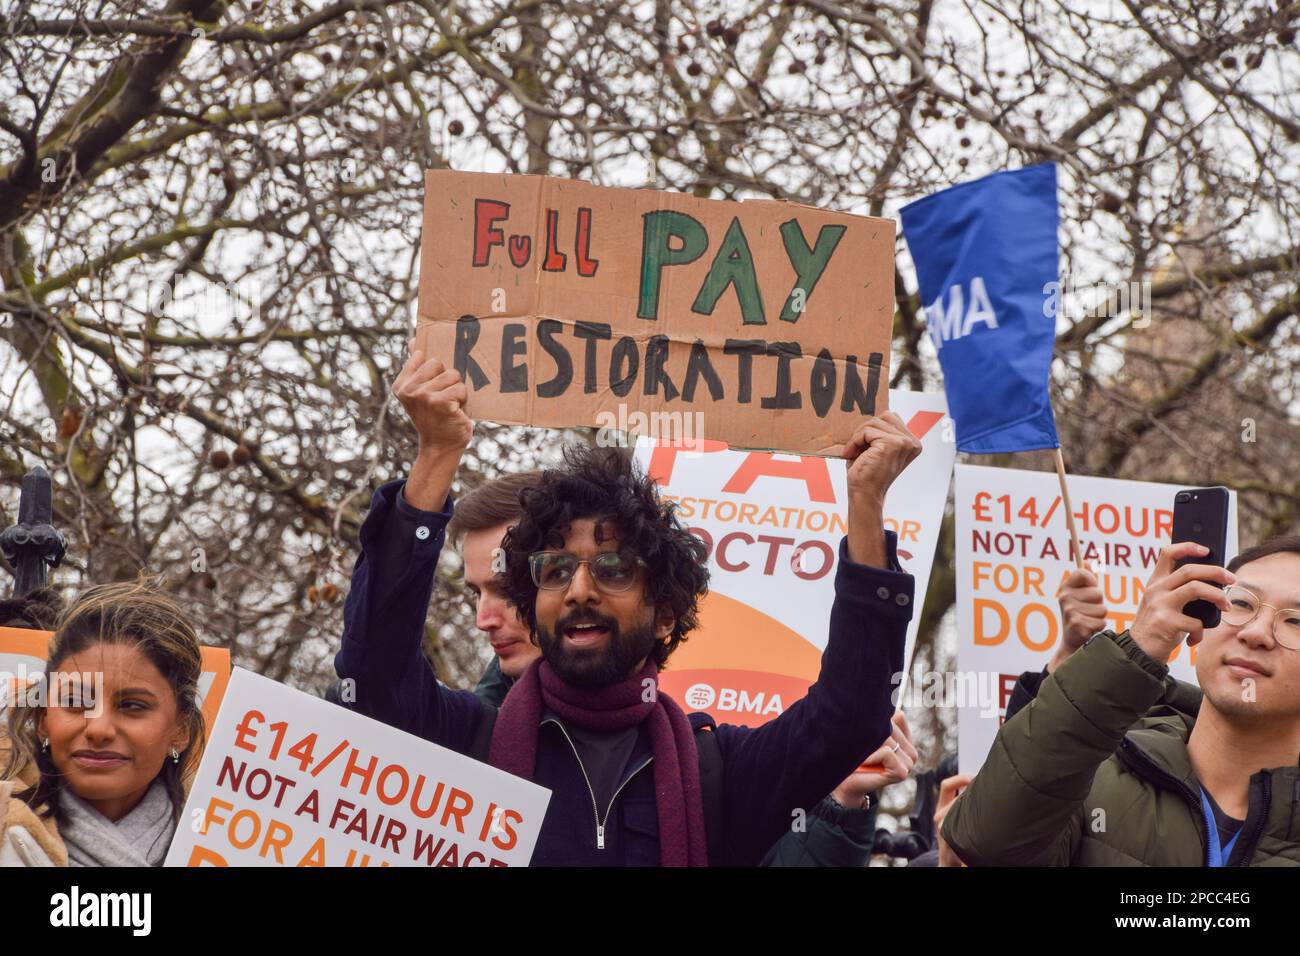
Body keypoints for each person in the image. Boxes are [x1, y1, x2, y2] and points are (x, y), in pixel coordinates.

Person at [334, 346, 922, 866]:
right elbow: (375, 672)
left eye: (613, 569)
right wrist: (437, 454)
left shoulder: (719, 773)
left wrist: (866, 503)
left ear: (666, 611)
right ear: (531, 602)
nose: (580, 590)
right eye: (555, 570)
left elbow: (848, 714)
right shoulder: (465, 743)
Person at [942, 536, 1300, 866]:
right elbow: (989, 840)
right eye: (1239, 602)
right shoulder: (1087, 777)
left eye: (1295, 621)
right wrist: (1138, 646)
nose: (1255, 633)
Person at [1, 582, 205, 866]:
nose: (98, 729)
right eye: (74, 702)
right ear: (43, 718)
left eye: (132, 705)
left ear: (180, 730)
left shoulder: (228, 849)